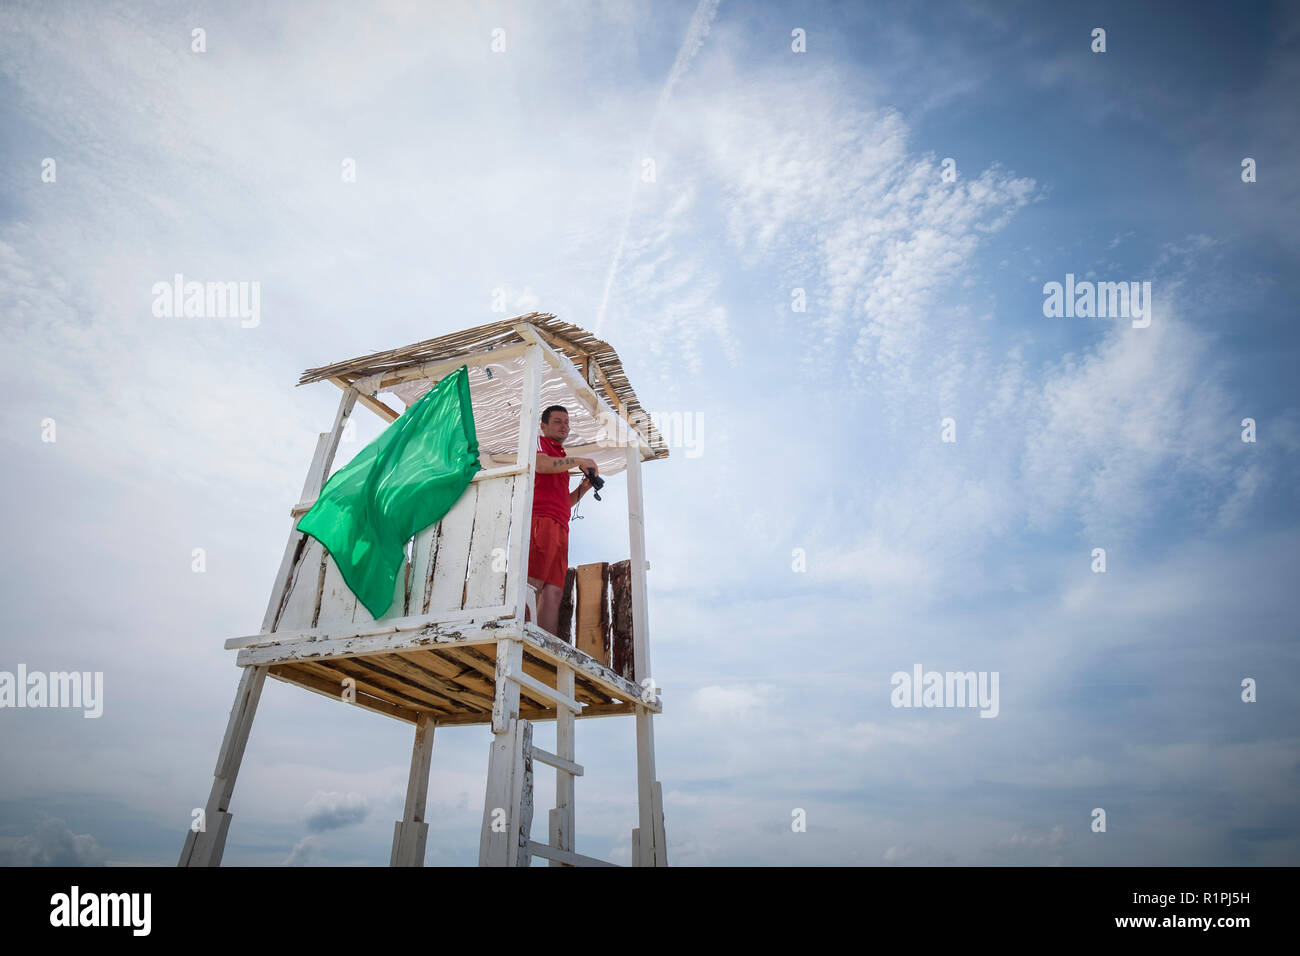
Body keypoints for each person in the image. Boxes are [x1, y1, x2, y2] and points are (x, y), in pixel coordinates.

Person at [528, 405, 598, 635]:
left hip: (561, 524)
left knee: (554, 590)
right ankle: (523, 631)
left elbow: (564, 503)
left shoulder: (562, 459)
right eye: (557, 421)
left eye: (566, 422)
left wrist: (583, 489)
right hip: (541, 520)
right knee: (534, 583)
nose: (564, 426)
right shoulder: (539, 442)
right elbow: (541, 465)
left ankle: (545, 644)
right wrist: (578, 460)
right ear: (544, 426)